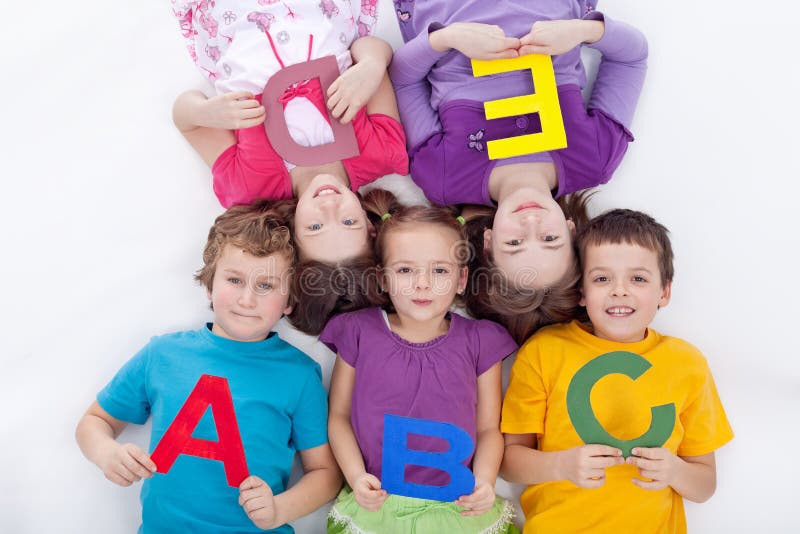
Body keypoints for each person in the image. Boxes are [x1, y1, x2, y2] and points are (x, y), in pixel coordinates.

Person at [389, 1, 647, 342]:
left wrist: (447, 39)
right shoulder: (592, 160)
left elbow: (403, 80)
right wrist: (584, 31)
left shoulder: (444, 178)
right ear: (572, 232)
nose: (531, 224)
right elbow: (633, 57)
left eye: (514, 243)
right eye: (550, 239)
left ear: (490, 242)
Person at [75, 202, 341, 533]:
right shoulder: (163, 354)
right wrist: (106, 453)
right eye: (234, 280)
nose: (247, 300)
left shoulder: (299, 375)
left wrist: (279, 508)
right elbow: (94, 422)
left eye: (266, 285)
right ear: (210, 284)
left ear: (289, 301)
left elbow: (325, 473)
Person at [500, 209, 733, 533]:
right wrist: (561, 465)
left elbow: (705, 484)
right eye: (601, 278)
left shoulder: (687, 362)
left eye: (638, 278)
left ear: (664, 292)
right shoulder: (544, 351)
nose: (619, 290)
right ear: (581, 291)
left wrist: (675, 472)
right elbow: (510, 462)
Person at [319, 190, 519, 532]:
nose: (422, 284)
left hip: (457, 508)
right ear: (383, 278)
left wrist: (484, 482)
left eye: (439, 270)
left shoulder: (480, 341)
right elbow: (338, 417)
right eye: (405, 269)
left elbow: (488, 429)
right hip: (379, 505)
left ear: (460, 280)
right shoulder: (358, 332)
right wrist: (355, 476)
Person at [170, 1, 409, 263]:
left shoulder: (249, 187)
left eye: (314, 227)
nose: (329, 208)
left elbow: (185, 120)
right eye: (349, 221)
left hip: (234, 20)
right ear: (369, 226)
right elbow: (372, 45)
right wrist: (372, 64)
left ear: (292, 235)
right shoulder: (382, 152)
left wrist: (204, 112)